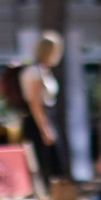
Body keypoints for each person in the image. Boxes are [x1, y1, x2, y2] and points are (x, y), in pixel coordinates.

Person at [21, 31, 67, 179]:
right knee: (42, 162)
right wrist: (44, 128)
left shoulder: (45, 71)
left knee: (54, 162)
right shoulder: (34, 71)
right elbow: (35, 103)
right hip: (38, 120)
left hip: (47, 117)